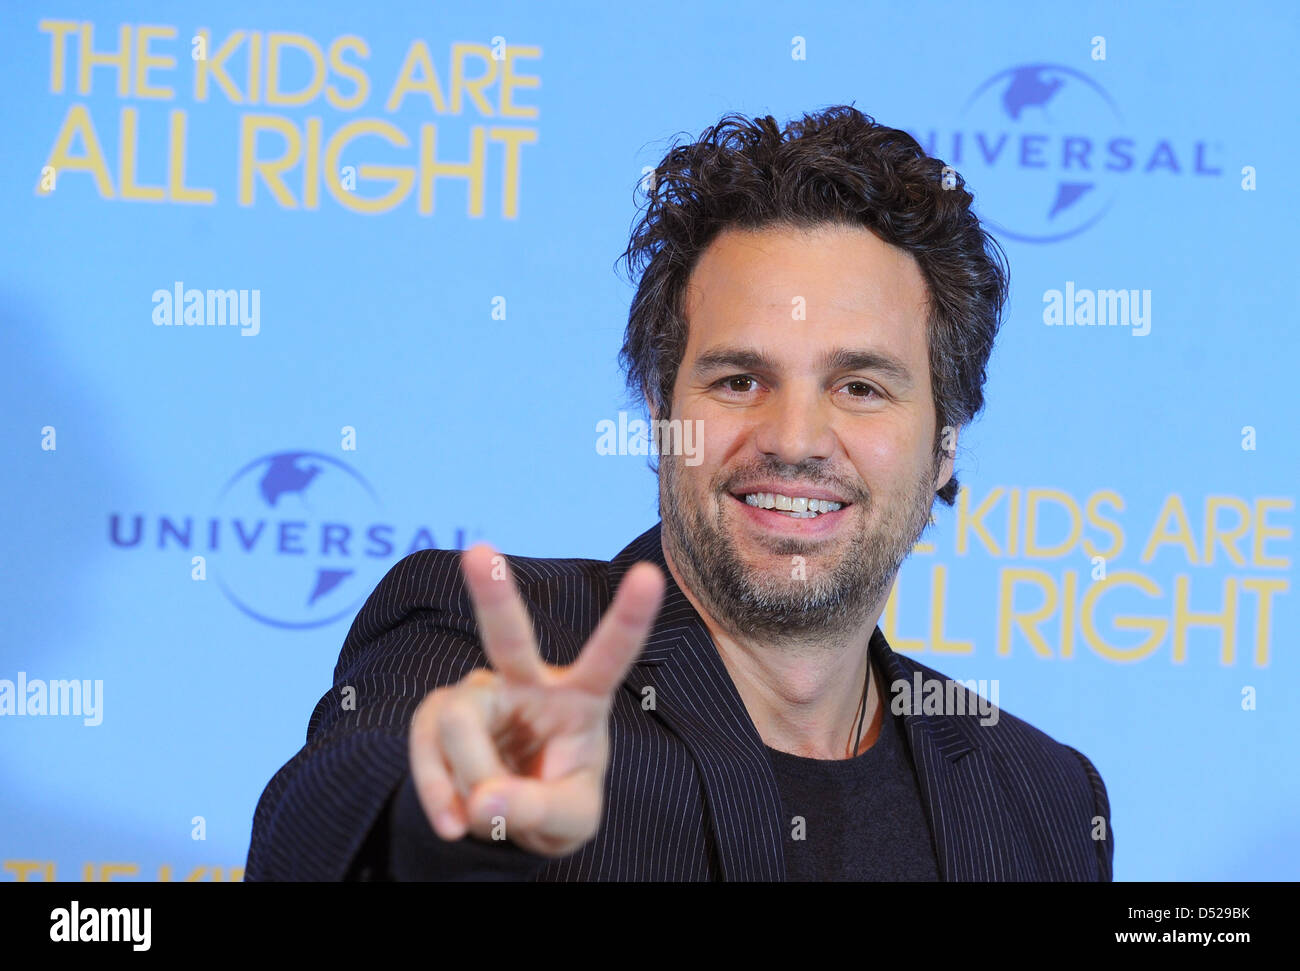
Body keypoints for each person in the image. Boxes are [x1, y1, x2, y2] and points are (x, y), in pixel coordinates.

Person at [245, 105, 1113, 882]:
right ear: (662, 415)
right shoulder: (496, 640)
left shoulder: (1043, 796)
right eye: (739, 380)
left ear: (946, 448)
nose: (795, 439)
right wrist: (454, 827)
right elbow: (327, 826)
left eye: (860, 387)